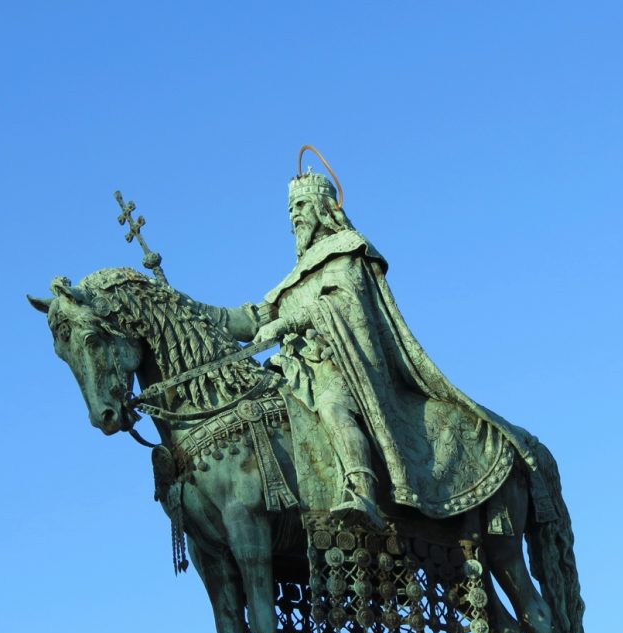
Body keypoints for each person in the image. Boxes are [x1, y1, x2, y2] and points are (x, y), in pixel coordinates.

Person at [208, 150, 541, 530]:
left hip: (345, 366)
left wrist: (287, 324)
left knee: (334, 406)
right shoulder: (293, 277)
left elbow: (346, 303)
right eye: (290, 210)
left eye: (301, 205)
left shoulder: (348, 249)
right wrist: (187, 309)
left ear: (322, 207)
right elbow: (250, 318)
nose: (294, 216)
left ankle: (361, 490)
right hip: (296, 371)